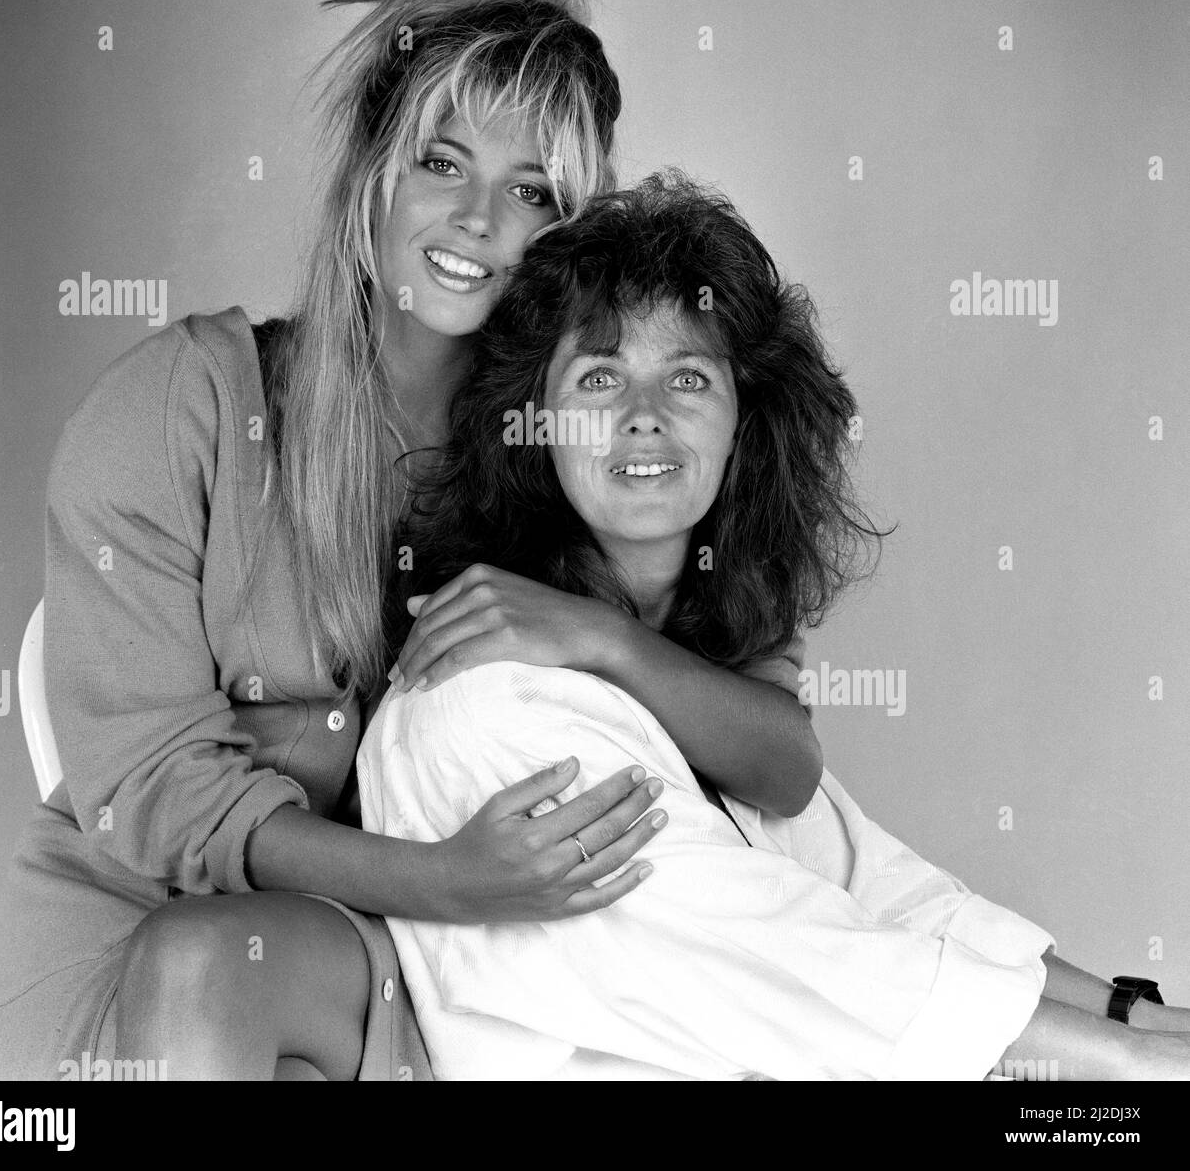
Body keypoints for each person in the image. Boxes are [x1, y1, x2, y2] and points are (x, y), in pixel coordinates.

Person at [0, 0, 821, 1081]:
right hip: (129, 962)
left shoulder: (585, 453)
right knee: (198, 964)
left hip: (426, 974)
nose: (480, 220)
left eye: (533, 191)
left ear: (572, 234)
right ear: (374, 173)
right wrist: (452, 879)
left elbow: (782, 762)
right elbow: (162, 803)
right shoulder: (175, 411)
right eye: (443, 161)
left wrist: (604, 637)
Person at [358, 172, 1190, 1081]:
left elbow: (874, 881)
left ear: (745, 426)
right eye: (599, 376)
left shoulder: (685, 672)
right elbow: (799, 954)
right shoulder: (487, 694)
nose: (643, 416)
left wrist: (1139, 1020)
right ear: (532, 421)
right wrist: (1123, 1066)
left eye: (688, 377)